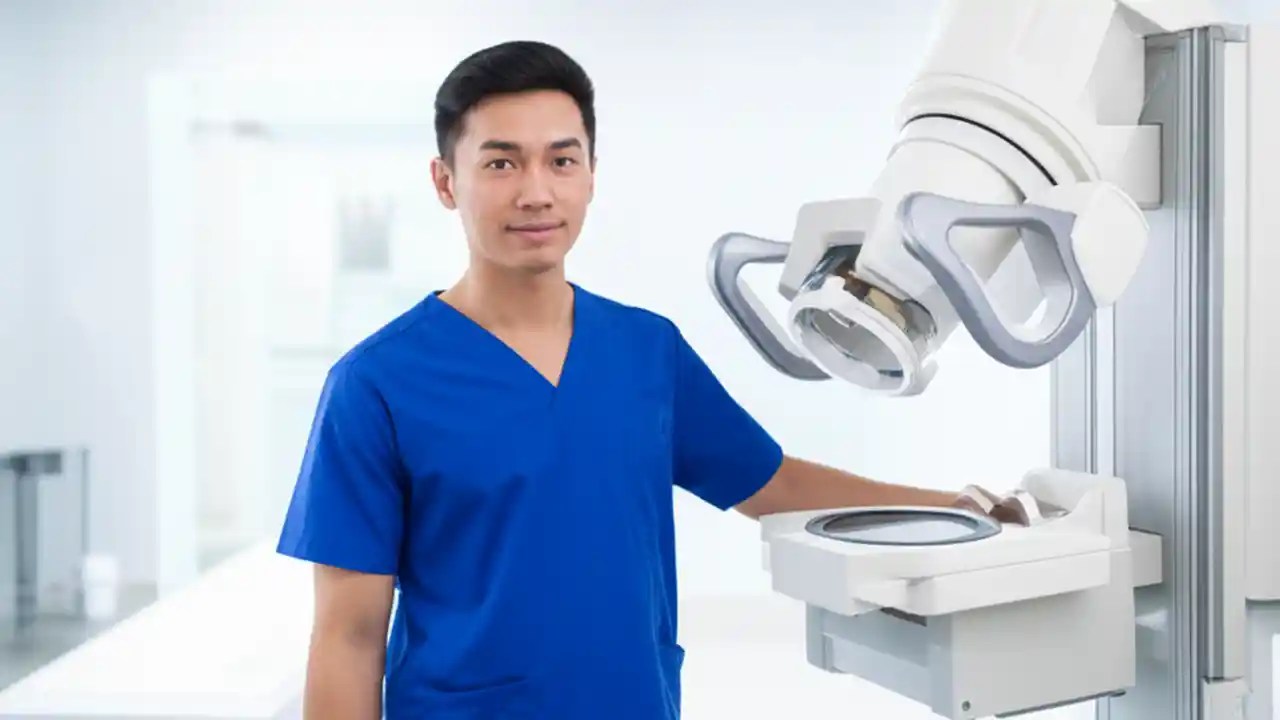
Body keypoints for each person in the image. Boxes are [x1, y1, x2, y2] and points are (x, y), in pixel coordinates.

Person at [276, 39, 988, 720]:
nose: (536, 192)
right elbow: (348, 636)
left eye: (561, 160)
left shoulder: (645, 350)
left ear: (590, 174)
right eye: (501, 164)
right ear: (444, 181)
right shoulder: (376, 386)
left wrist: (955, 507)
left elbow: (773, 484)